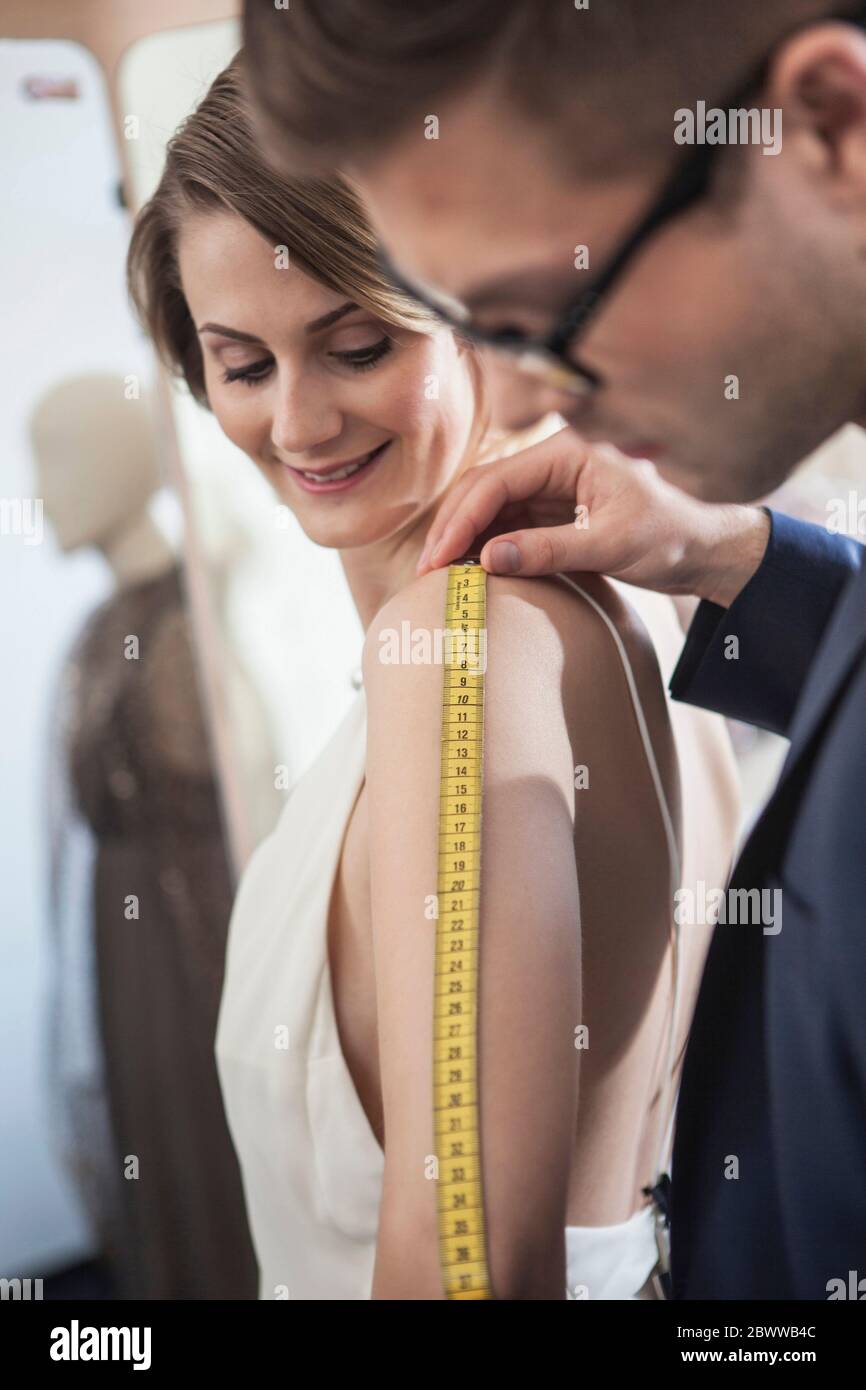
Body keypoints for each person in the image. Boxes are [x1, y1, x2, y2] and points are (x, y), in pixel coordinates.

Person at [239, 0, 866, 1298]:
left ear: (829, 130)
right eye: (231, 360)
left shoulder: (466, 655)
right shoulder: (704, 572)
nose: (516, 397)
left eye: (539, 310)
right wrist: (739, 558)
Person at [127, 57, 739, 1299]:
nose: (296, 426)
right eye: (242, 366)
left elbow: (468, 1273)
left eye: (355, 347)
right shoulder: (625, 604)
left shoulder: (453, 653)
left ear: (489, 317)